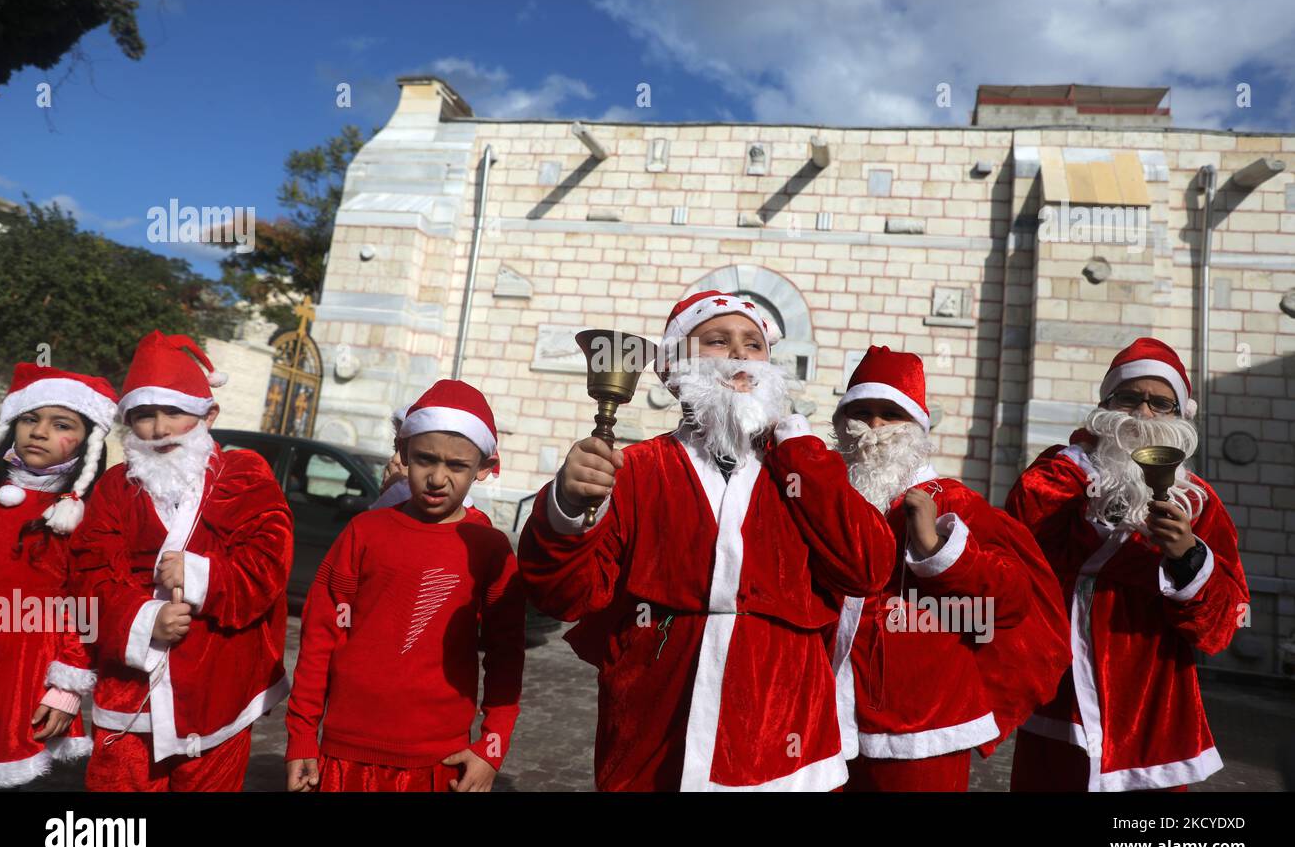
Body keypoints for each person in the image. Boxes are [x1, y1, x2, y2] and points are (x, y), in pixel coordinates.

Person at [518, 291, 895, 791]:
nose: (740, 354)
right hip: (657, 724)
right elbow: (566, 594)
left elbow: (867, 567)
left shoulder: (800, 468)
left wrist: (802, 450)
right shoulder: (638, 470)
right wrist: (566, 505)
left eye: (753, 344)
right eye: (718, 341)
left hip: (783, 730)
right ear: (677, 366)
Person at [1006, 337, 1249, 791]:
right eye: (1129, 398)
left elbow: (1221, 624)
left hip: (1154, 700)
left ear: (1180, 417)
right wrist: (1104, 521)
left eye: (1160, 403)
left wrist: (1188, 559)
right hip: (1065, 695)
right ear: (1105, 405)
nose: (1142, 414)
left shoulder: (1198, 502)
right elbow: (1026, 556)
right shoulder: (1057, 476)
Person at [829, 346, 1069, 790]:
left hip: (921, 731)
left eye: (890, 413)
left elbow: (1012, 600)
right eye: (861, 413)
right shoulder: (829, 499)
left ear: (918, 426)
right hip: (827, 722)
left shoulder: (956, 501)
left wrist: (938, 550)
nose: (875, 428)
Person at [69, 331, 293, 791]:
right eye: (145, 416)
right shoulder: (115, 488)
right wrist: (145, 618)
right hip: (130, 691)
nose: (160, 428)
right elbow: (88, 574)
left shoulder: (244, 476)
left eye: (174, 412)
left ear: (207, 415)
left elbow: (269, 565)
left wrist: (200, 576)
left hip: (219, 687)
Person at [285, 380, 524, 792]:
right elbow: (319, 636)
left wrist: (492, 746)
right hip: (346, 752)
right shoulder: (364, 531)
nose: (437, 478)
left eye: (457, 466)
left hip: (439, 760)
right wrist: (303, 735)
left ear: (483, 468)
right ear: (404, 453)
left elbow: (506, 657)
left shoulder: (490, 548)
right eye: (425, 459)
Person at [0, 364, 116, 787]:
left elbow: (83, 610)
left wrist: (66, 689)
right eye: (31, 419)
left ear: (88, 443)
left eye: (60, 424)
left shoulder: (83, 517)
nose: (39, 432)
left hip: (23, 671)